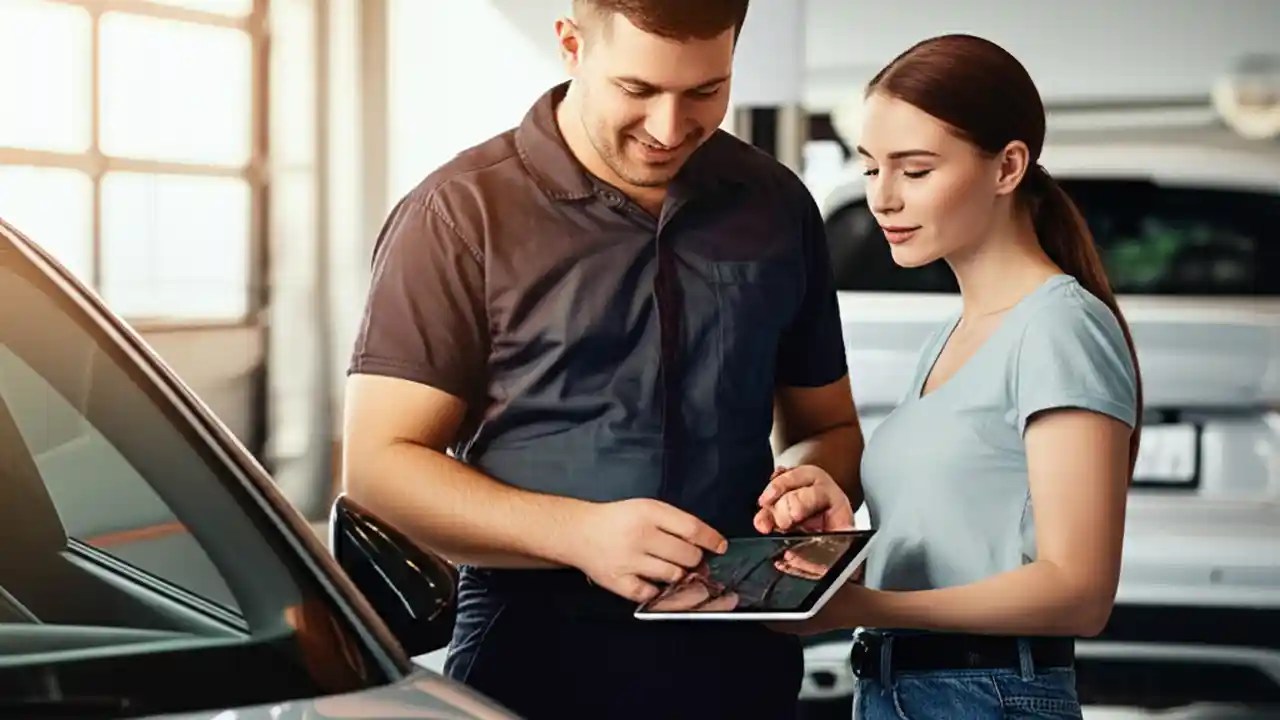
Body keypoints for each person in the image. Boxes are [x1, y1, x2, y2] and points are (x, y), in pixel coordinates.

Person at [341, 1, 862, 718]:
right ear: (570, 45)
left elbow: (830, 427)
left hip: (741, 658)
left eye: (705, 92)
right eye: (638, 90)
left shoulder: (778, 206)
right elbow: (378, 470)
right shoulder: (459, 215)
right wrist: (577, 534)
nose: (669, 129)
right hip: (529, 657)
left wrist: (813, 481)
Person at [756, 34, 1144, 720]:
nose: (882, 198)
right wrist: (831, 533)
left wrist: (861, 605)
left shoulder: (1059, 326)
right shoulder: (953, 336)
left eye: (915, 169)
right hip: (899, 690)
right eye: (871, 168)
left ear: (1007, 166)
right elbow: (955, 550)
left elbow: (1079, 592)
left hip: (983, 696)